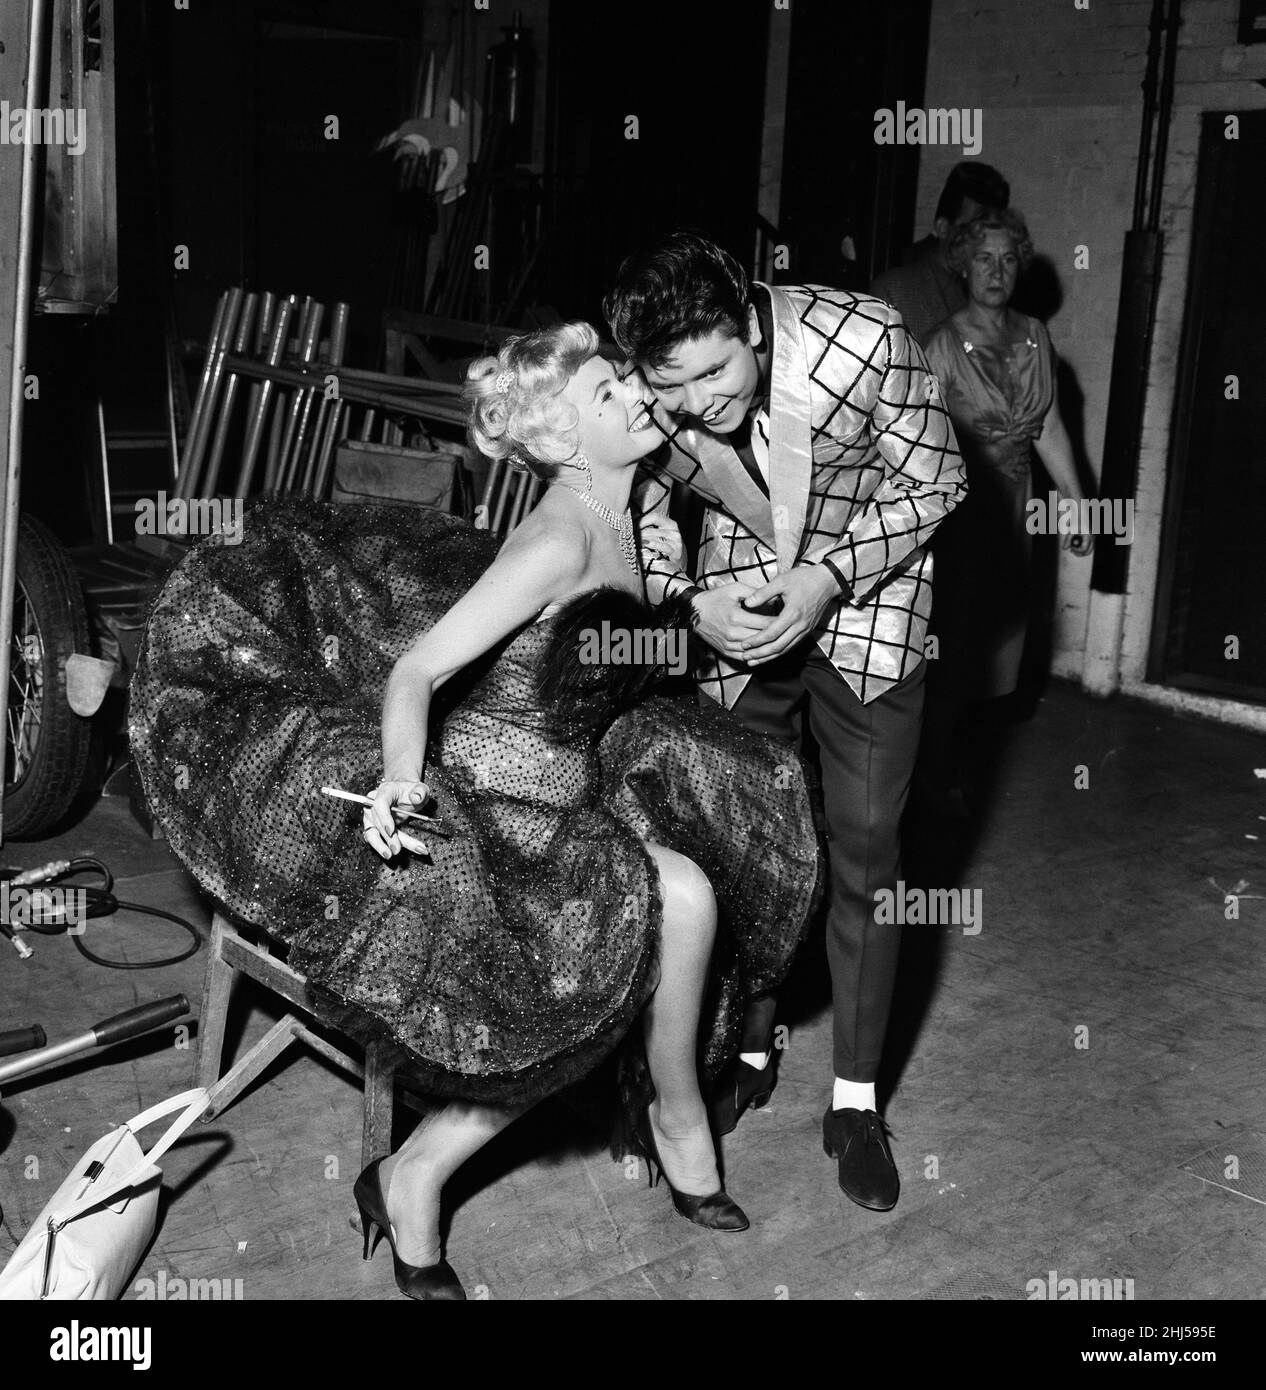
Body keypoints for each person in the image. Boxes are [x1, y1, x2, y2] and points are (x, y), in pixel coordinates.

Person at [129, 322, 820, 1301]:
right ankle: (411, 1176)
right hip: (499, 807)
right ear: (574, 441)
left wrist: (683, 600)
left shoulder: (632, 508)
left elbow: (603, 652)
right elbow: (418, 669)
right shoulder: (555, 538)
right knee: (607, 949)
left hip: (571, 785)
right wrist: (401, 778)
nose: (637, 397)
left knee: (698, 895)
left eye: (628, 383)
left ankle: (679, 1118)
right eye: (612, 395)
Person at [604, 232, 966, 1214]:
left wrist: (828, 577)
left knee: (865, 849)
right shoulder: (657, 387)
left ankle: (855, 1099)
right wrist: (682, 596)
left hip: (871, 603)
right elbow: (632, 493)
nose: (698, 404)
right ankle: (749, 1035)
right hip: (739, 604)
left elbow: (938, 480)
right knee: (737, 844)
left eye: (716, 369)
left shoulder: (867, 338)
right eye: (672, 388)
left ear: (752, 321)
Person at [918, 209, 1092, 805]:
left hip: (1019, 507)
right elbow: (914, 440)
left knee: (1002, 645)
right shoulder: (940, 344)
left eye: (1009, 258)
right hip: (963, 510)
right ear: (963, 264)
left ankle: (970, 764)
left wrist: (1076, 499)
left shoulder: (1035, 336)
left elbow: (1048, 426)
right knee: (954, 643)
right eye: (984, 258)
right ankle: (934, 773)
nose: (997, 270)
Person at [870, 161, 1011, 346]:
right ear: (943, 227)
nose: (983, 242)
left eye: (990, 231)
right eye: (972, 229)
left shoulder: (993, 296)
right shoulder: (893, 293)